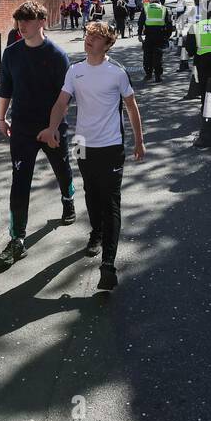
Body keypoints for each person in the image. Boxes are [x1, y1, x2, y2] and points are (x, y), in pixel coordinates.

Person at [38, 22, 145, 291]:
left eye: (96, 38)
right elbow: (61, 102)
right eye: (88, 35)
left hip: (111, 145)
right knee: (90, 190)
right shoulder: (75, 71)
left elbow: (131, 107)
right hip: (82, 143)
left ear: (107, 45)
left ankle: (108, 263)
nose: (89, 40)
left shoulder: (116, 72)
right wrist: (51, 128)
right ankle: (96, 233)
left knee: (110, 200)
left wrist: (139, 141)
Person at [0, 1, 77, 264]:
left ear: (41, 21)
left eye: (28, 20)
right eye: (19, 20)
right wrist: (1, 117)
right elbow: (6, 88)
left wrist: (53, 127)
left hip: (51, 127)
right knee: (20, 180)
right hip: (21, 127)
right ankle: (17, 238)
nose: (22, 25)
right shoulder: (11, 54)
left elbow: (65, 98)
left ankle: (68, 198)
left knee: (62, 168)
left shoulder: (56, 56)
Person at [138, 0, 175, 81]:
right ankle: (158, 75)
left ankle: (148, 74)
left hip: (149, 36)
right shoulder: (164, 9)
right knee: (158, 56)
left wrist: (139, 34)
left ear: (151, 1)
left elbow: (140, 22)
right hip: (160, 36)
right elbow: (169, 24)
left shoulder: (146, 8)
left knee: (147, 55)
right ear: (159, 1)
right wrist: (167, 36)